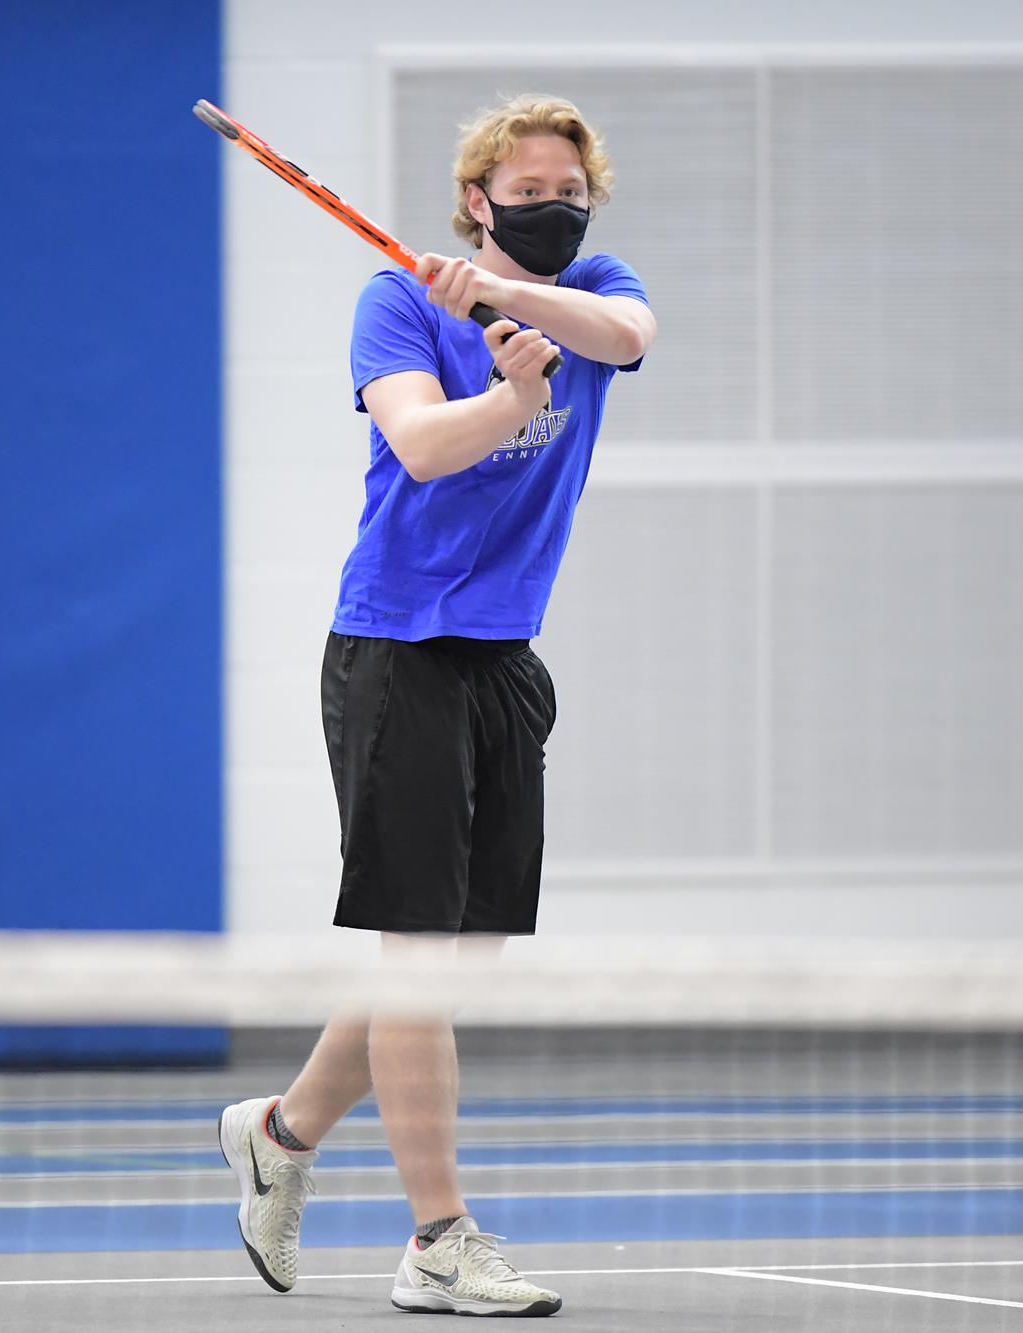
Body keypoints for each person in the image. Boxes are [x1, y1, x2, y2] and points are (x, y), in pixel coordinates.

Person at [219, 92, 654, 1319]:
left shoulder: (594, 283)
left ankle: (281, 1129)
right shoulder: (398, 300)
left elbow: (621, 336)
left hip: (502, 659)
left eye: (565, 190)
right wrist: (511, 397)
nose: (549, 207)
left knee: (461, 957)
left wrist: (512, 302)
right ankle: (436, 1239)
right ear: (475, 198)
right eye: (522, 194)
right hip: (396, 649)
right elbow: (418, 445)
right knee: (413, 961)